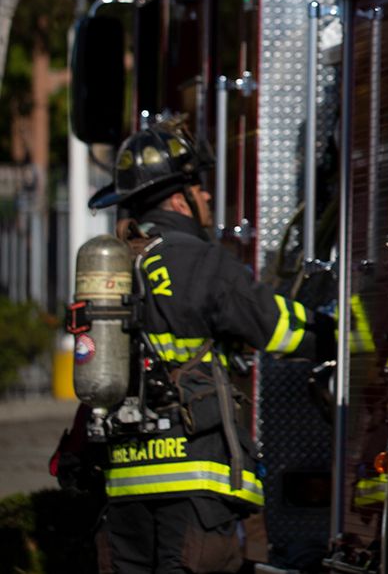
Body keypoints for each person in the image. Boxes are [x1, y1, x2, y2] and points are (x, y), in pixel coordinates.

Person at [86, 121, 326, 573]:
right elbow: (275, 327)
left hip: (123, 483)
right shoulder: (198, 260)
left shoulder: (113, 263)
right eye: (201, 189)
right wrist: (338, 332)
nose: (209, 199)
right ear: (180, 198)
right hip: (192, 476)